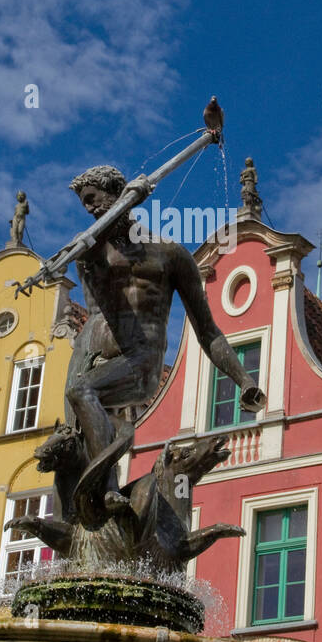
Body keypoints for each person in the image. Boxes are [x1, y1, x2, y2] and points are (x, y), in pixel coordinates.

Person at [66, 165, 265, 511]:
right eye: (85, 207)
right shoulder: (91, 253)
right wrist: (82, 259)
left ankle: (106, 484)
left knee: (81, 391)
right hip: (97, 361)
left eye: (94, 201)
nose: (91, 211)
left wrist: (244, 380)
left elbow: (208, 331)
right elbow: (95, 316)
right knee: (76, 424)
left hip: (141, 364)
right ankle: (102, 492)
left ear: (118, 194)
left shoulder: (169, 255)